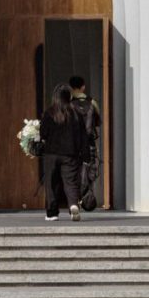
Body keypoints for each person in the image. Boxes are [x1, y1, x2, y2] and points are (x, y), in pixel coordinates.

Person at [39, 81, 90, 222]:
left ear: (55, 97)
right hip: (70, 154)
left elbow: (43, 133)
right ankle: (73, 204)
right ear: (69, 96)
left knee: (51, 183)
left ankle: (52, 213)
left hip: (51, 153)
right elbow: (83, 137)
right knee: (70, 181)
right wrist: (86, 156)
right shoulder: (76, 114)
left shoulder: (49, 113)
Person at [68, 73, 103, 211]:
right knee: (89, 171)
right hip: (89, 143)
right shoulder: (92, 102)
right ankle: (87, 198)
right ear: (83, 87)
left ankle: (73, 201)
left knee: (71, 172)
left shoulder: (68, 103)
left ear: (70, 87)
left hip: (72, 144)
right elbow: (98, 122)